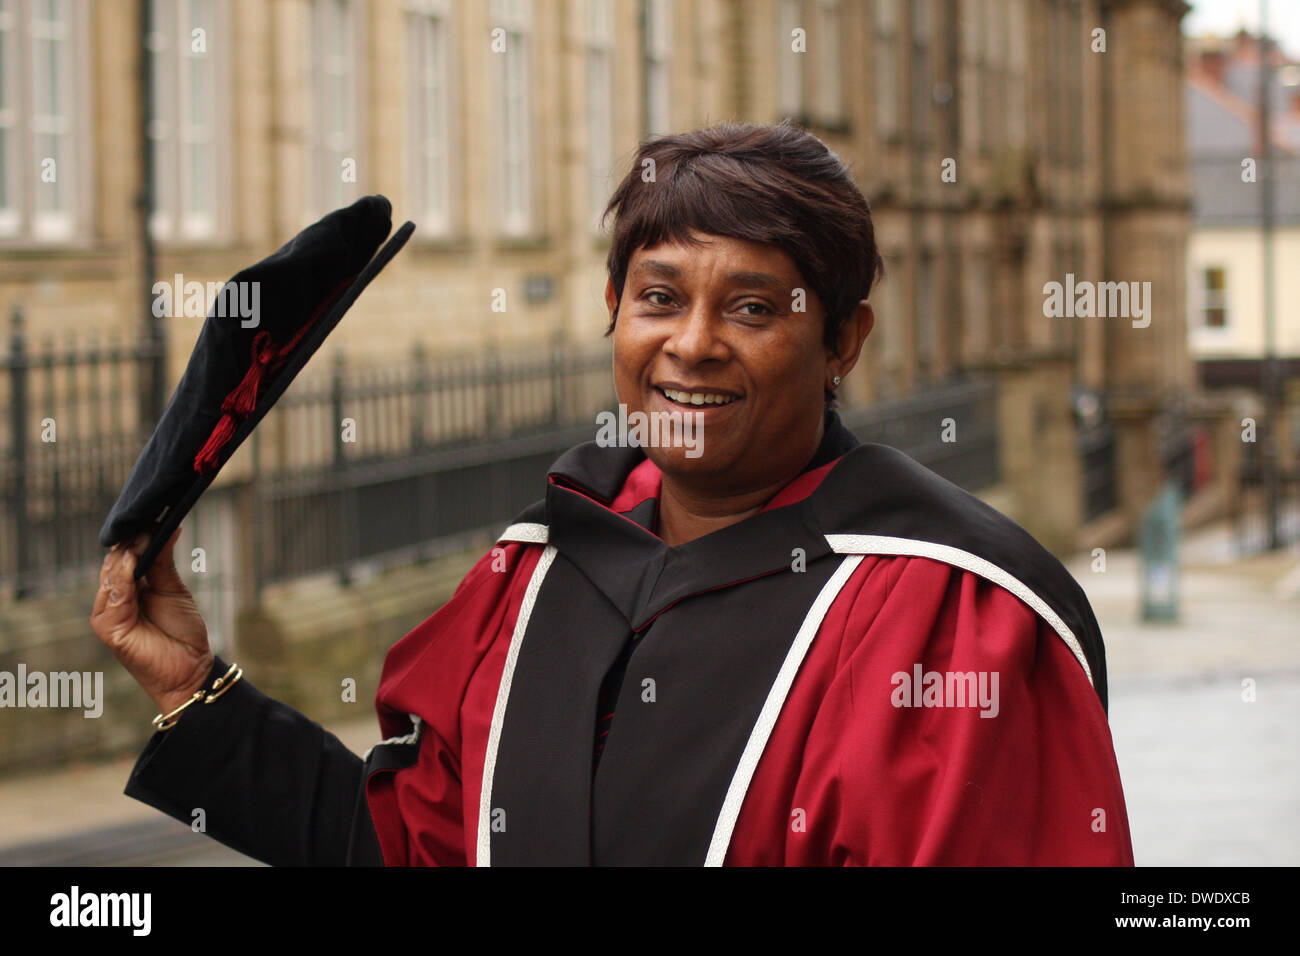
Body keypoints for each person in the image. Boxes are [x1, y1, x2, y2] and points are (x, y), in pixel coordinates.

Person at [91, 121, 1133, 866]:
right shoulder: (538, 577)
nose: (691, 343)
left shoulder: (950, 619)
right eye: (660, 296)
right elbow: (411, 847)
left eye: (754, 305)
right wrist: (200, 691)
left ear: (841, 341)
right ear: (613, 310)